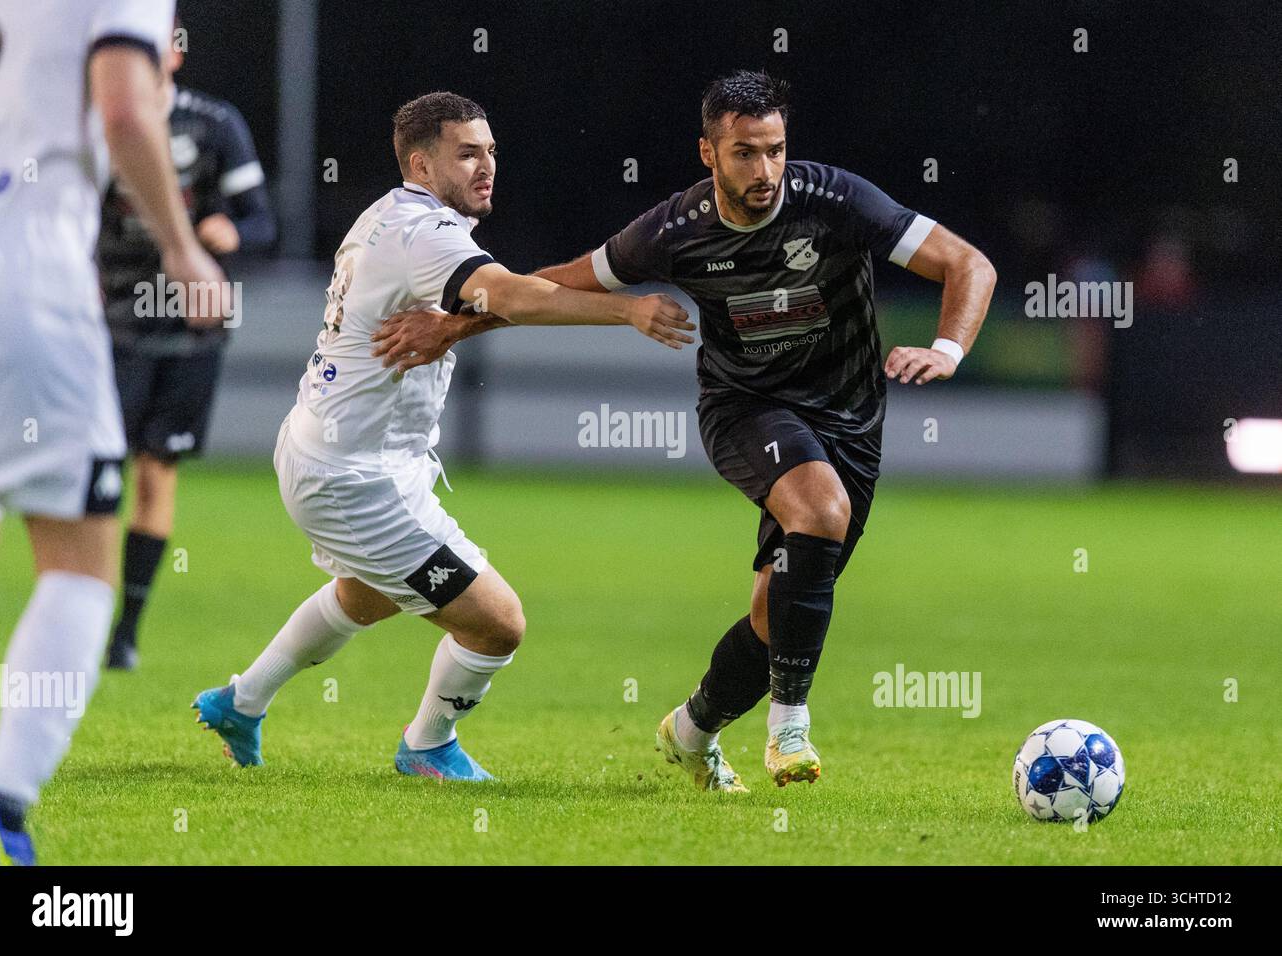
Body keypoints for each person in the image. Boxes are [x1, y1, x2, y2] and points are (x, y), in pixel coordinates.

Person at [369, 71, 997, 791]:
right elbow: (565, 283)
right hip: (745, 408)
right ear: (708, 152)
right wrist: (455, 325)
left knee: (775, 613)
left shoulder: (837, 200)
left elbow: (965, 263)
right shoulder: (675, 229)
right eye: (744, 154)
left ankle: (691, 730)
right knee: (821, 512)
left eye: (775, 150)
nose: (765, 172)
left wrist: (946, 348)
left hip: (850, 421)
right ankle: (789, 728)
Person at [191, 92, 693, 781]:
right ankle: (427, 745)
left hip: (335, 451)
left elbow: (503, 291)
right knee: (497, 623)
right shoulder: (423, 233)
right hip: (354, 478)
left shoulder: (391, 217)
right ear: (421, 162)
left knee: (365, 594)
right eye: (467, 153)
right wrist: (629, 311)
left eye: (491, 151)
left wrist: (455, 325)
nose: (487, 166)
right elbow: (513, 296)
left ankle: (240, 702)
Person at [0, 0, 225, 865]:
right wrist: (183, 249)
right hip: (23, 276)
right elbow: (124, 109)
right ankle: (0, 809)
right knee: (81, 564)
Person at [98, 20, 277, 670]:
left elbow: (262, 220)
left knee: (157, 468)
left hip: (190, 327)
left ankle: (125, 632)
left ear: (174, 52)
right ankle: (79, 611)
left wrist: (229, 230)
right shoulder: (99, 122)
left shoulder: (213, 124)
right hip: (108, 323)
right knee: (95, 472)